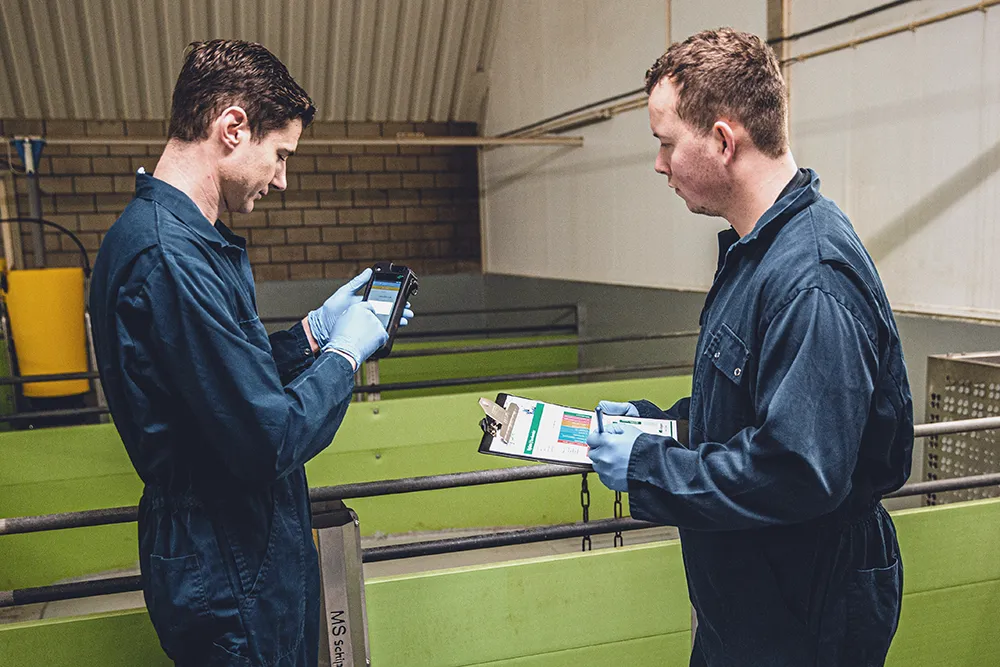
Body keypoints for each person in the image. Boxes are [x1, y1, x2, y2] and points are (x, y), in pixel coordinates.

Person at [586, 28, 913, 667]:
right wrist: (660, 429)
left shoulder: (810, 278)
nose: (659, 164)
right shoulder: (754, 252)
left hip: (800, 613)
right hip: (749, 602)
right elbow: (753, 412)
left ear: (723, 140)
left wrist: (649, 469)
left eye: (665, 143)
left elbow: (796, 470)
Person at [89, 40, 408, 667]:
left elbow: (224, 383)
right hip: (226, 555)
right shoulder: (169, 260)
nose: (283, 178)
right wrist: (345, 357)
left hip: (238, 544)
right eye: (281, 154)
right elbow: (266, 435)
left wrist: (314, 334)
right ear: (232, 127)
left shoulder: (184, 242)